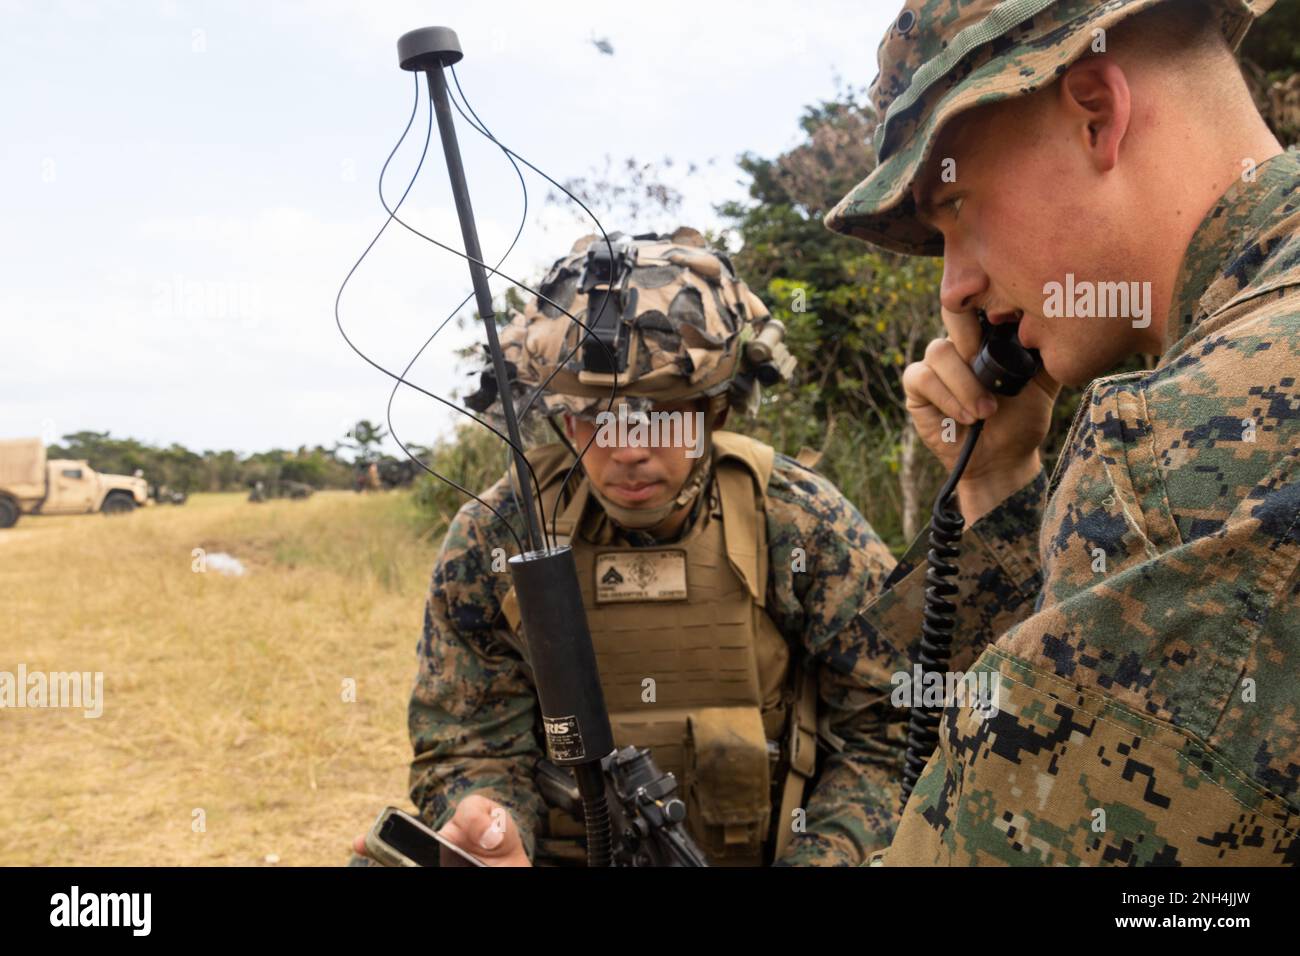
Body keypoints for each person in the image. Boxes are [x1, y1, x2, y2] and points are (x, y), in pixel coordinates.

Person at [823, 0, 1298, 864]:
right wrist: (997, 482)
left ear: (1096, 115)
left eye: (957, 205)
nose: (956, 289)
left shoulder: (1176, 446)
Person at [356, 227, 900, 866]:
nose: (629, 448)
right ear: (562, 417)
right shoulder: (498, 535)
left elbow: (889, 732)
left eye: (660, 415)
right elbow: (468, 741)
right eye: (598, 417)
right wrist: (488, 823)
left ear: (714, 411)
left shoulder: (799, 520)